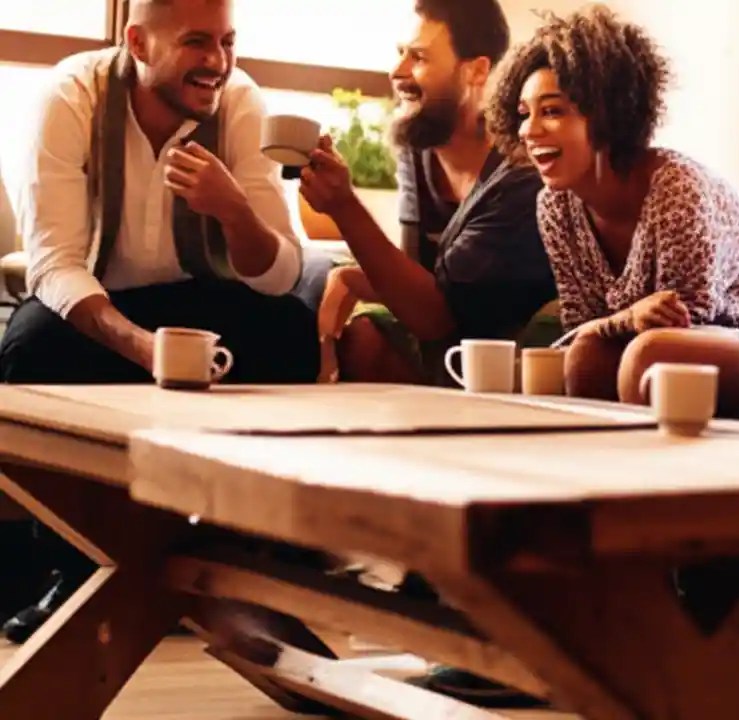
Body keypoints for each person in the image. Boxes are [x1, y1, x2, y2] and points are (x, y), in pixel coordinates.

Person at [0, 0, 319, 643]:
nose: (218, 63)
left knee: (288, 331)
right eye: (197, 43)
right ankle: (74, 573)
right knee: (27, 349)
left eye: (228, 42)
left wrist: (235, 212)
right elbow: (55, 265)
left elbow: (280, 273)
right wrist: (145, 349)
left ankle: (237, 569)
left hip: (204, 303)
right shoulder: (69, 96)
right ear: (138, 43)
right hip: (95, 307)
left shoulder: (242, 102)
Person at [486, 4, 739, 423]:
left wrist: (617, 324)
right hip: (686, 345)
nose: (529, 130)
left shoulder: (676, 186)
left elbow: (684, 323)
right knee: (588, 358)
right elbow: (581, 330)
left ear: (609, 115)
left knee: (653, 355)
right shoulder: (556, 206)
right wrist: (623, 319)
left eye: (552, 111)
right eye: (524, 114)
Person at [305, 0, 557, 386]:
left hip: (506, 359)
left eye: (418, 57)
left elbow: (436, 317)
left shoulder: (521, 177)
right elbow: (411, 279)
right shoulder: (420, 145)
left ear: (477, 70)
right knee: (325, 296)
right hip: (441, 343)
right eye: (400, 54)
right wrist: (346, 279)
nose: (397, 71)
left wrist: (344, 207)